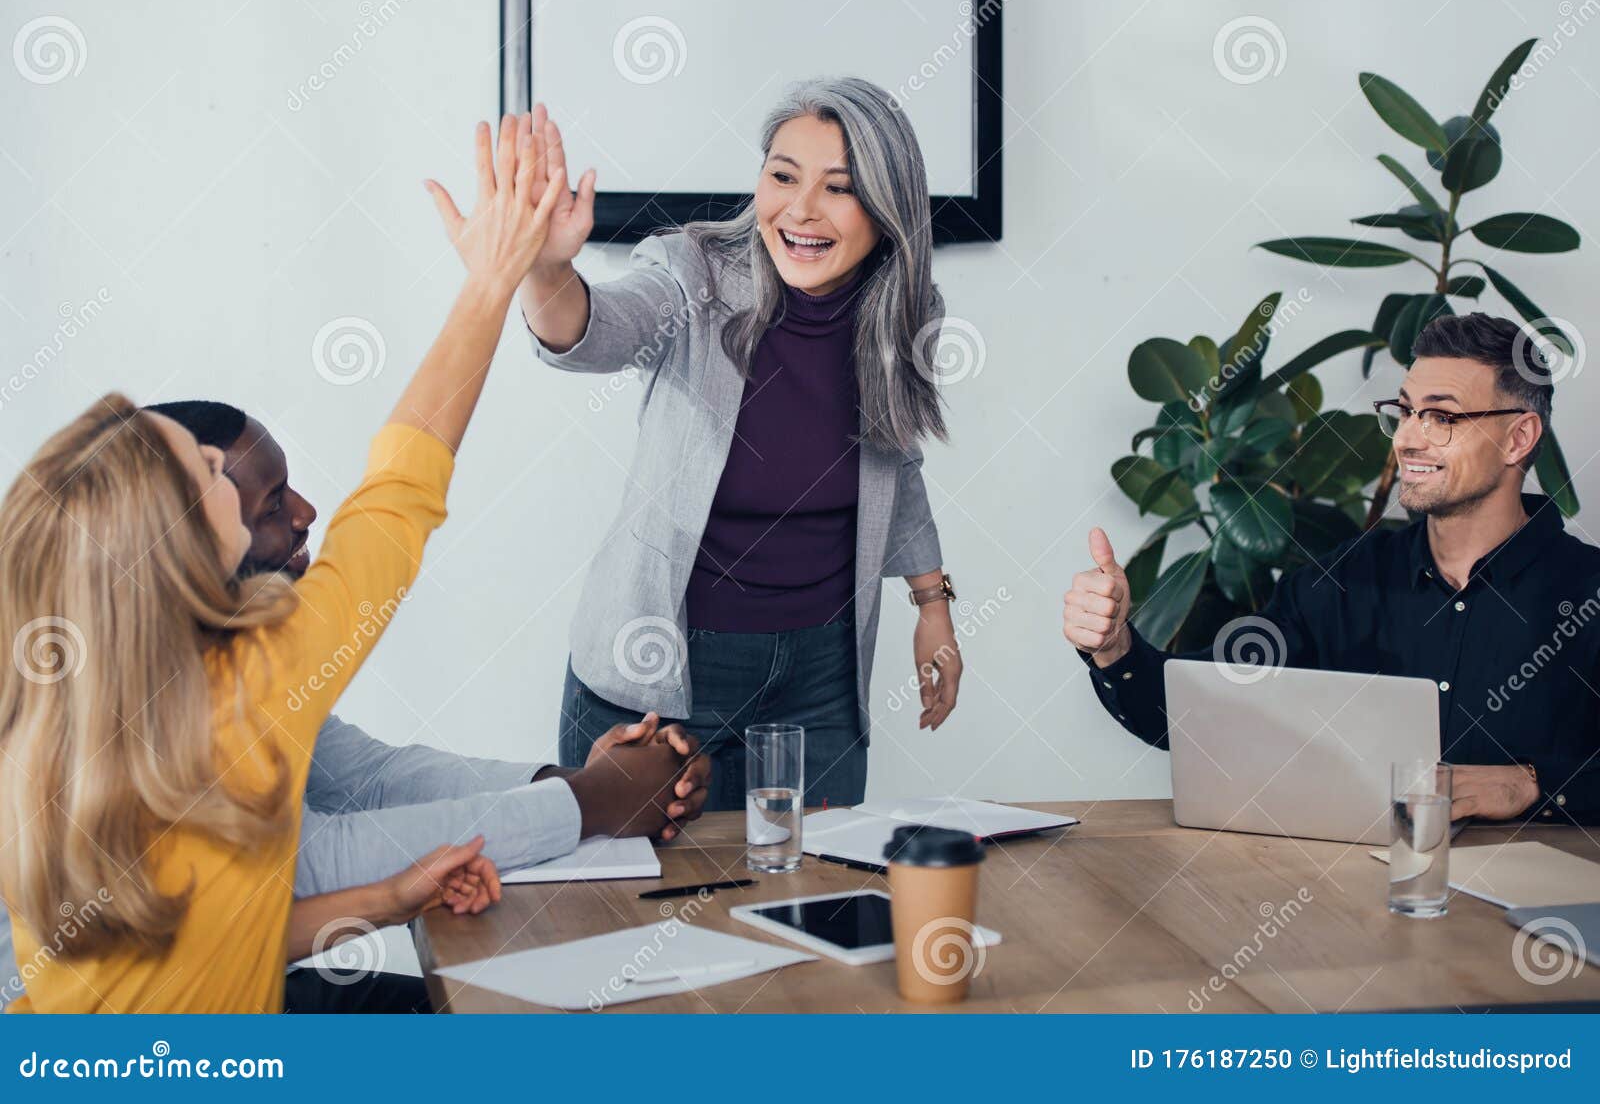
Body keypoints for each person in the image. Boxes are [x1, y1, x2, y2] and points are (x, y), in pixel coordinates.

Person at [0, 115, 695, 1013]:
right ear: (165, 547)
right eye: (209, 473)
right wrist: (491, 282)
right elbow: (398, 492)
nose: (263, 493)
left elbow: (198, 931)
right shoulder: (251, 681)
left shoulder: (45, 707)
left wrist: (385, 900)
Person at [517, 79, 964, 809]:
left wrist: (932, 604)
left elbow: (895, 457)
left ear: (887, 212)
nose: (801, 209)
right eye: (782, 177)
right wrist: (546, 266)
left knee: (810, 901)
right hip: (661, 672)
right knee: (630, 909)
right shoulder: (690, 276)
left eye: (839, 189)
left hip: (821, 676)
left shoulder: (902, 310)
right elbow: (594, 332)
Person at [1064, 312, 1600, 826]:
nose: (1407, 439)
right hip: (1354, 898)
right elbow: (1194, 713)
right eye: (1406, 411)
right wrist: (1114, 649)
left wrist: (1529, 783)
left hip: (1537, 905)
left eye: (1441, 417)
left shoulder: (1587, 591)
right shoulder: (1338, 583)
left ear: (1519, 438)